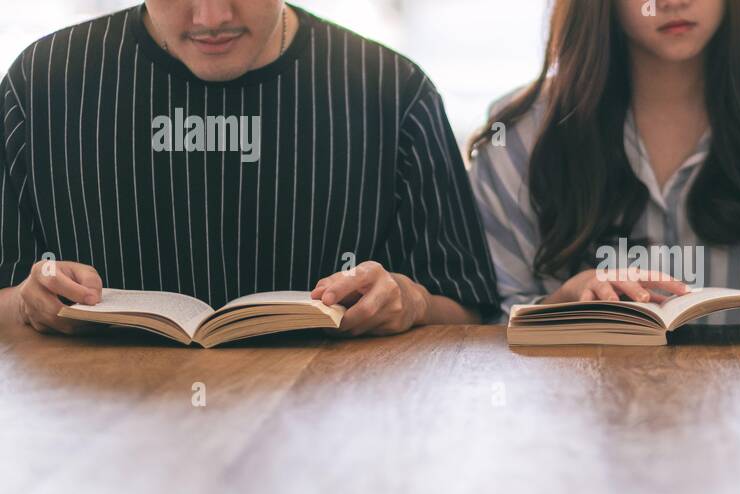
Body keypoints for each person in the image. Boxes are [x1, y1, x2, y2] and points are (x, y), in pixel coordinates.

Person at [0, 0, 499, 338]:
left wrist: (410, 302)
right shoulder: (42, 84)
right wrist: (27, 302)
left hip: (332, 438)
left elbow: (471, 311)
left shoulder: (393, 92)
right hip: (98, 437)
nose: (211, 16)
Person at [469, 0, 740, 324]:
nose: (673, 2)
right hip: (576, 419)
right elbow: (481, 322)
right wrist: (562, 303)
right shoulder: (521, 137)